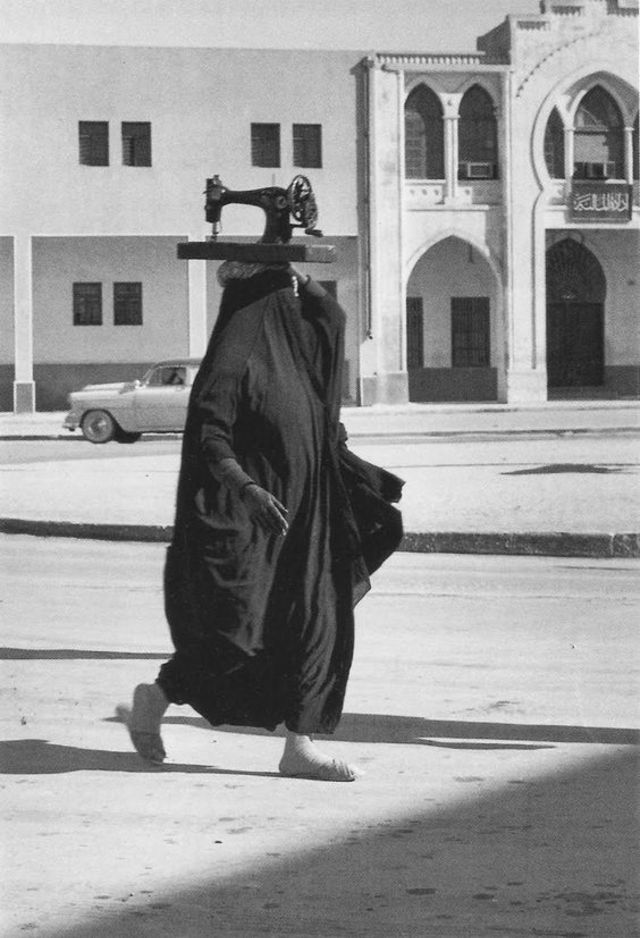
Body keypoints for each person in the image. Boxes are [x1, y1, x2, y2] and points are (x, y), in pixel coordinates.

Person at [117, 262, 403, 781]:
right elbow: (210, 435)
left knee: (318, 623)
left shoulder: (303, 354)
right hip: (252, 523)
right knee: (237, 637)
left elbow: (333, 317)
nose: (295, 301)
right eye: (284, 293)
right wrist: (246, 489)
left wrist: (296, 273)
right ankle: (156, 697)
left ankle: (299, 743)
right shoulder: (235, 358)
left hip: (310, 513)